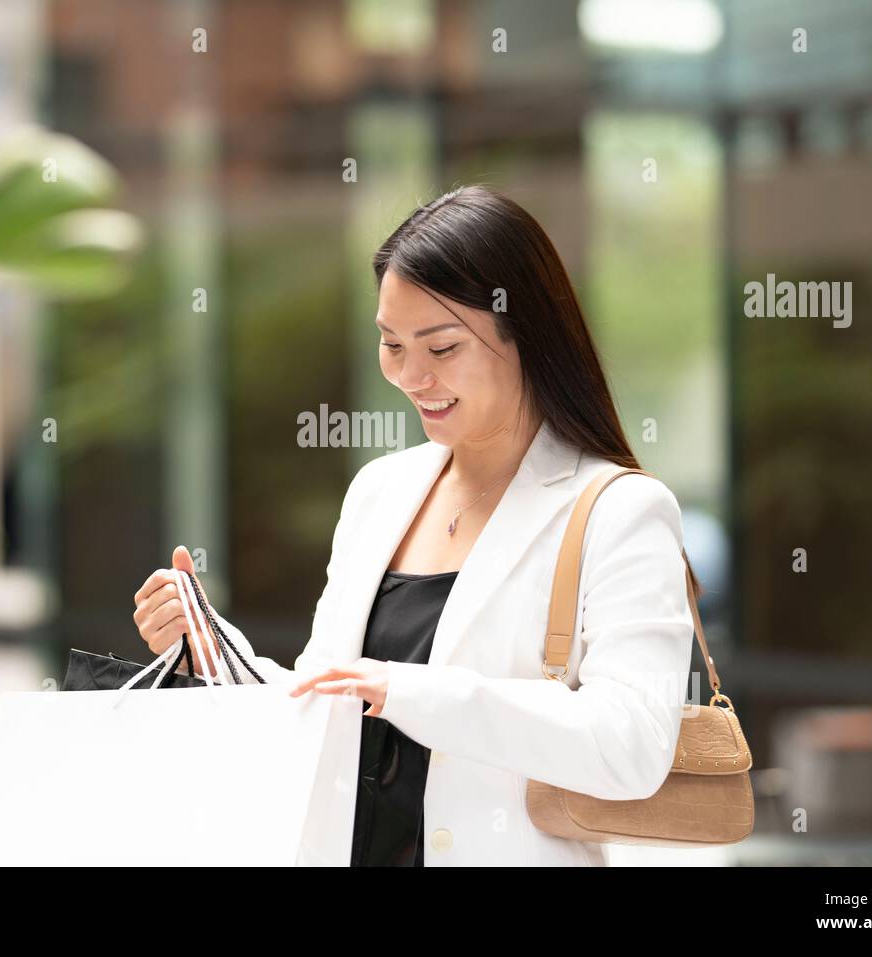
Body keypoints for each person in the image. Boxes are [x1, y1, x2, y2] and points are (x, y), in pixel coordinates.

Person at [132, 185, 695, 867]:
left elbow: (631, 745)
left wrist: (407, 691)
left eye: (442, 346)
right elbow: (326, 702)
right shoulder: (382, 491)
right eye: (392, 344)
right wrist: (216, 653)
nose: (410, 375)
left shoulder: (619, 511)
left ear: (527, 333)